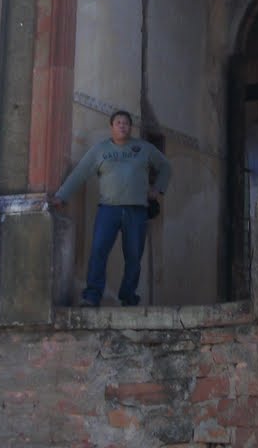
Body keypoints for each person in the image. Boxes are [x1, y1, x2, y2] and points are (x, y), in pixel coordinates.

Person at [50, 110, 172, 306]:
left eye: (125, 123)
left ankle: (129, 297)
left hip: (136, 210)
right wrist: (61, 196)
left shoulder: (144, 148)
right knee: (99, 251)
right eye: (118, 123)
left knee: (133, 256)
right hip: (108, 209)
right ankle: (92, 296)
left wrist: (158, 189)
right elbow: (80, 173)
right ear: (111, 127)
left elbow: (166, 166)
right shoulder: (100, 150)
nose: (122, 126)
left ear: (130, 128)